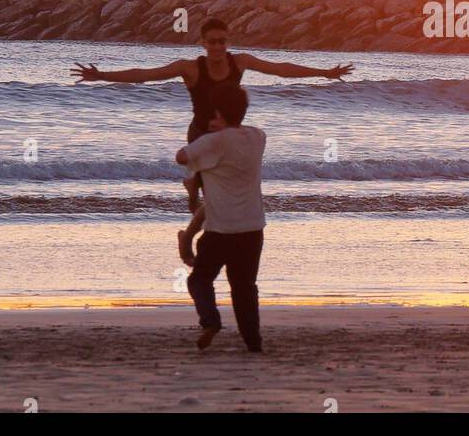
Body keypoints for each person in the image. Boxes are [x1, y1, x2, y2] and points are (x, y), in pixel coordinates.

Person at [71, 16, 351, 264]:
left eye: (222, 41)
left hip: (229, 136)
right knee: (211, 200)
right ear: (203, 43)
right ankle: (191, 210)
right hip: (201, 136)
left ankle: (189, 216)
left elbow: (279, 68)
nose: (218, 47)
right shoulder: (190, 68)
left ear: (228, 41)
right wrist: (103, 75)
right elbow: (147, 75)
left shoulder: (240, 61)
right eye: (212, 42)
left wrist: (323, 72)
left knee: (216, 199)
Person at [176, 85, 266, 352]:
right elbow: (235, 136)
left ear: (219, 114)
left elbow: (181, 156)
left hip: (220, 230)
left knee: (199, 280)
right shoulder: (258, 136)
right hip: (252, 227)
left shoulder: (214, 141)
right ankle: (253, 343)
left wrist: (211, 136)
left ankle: (211, 321)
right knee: (244, 287)